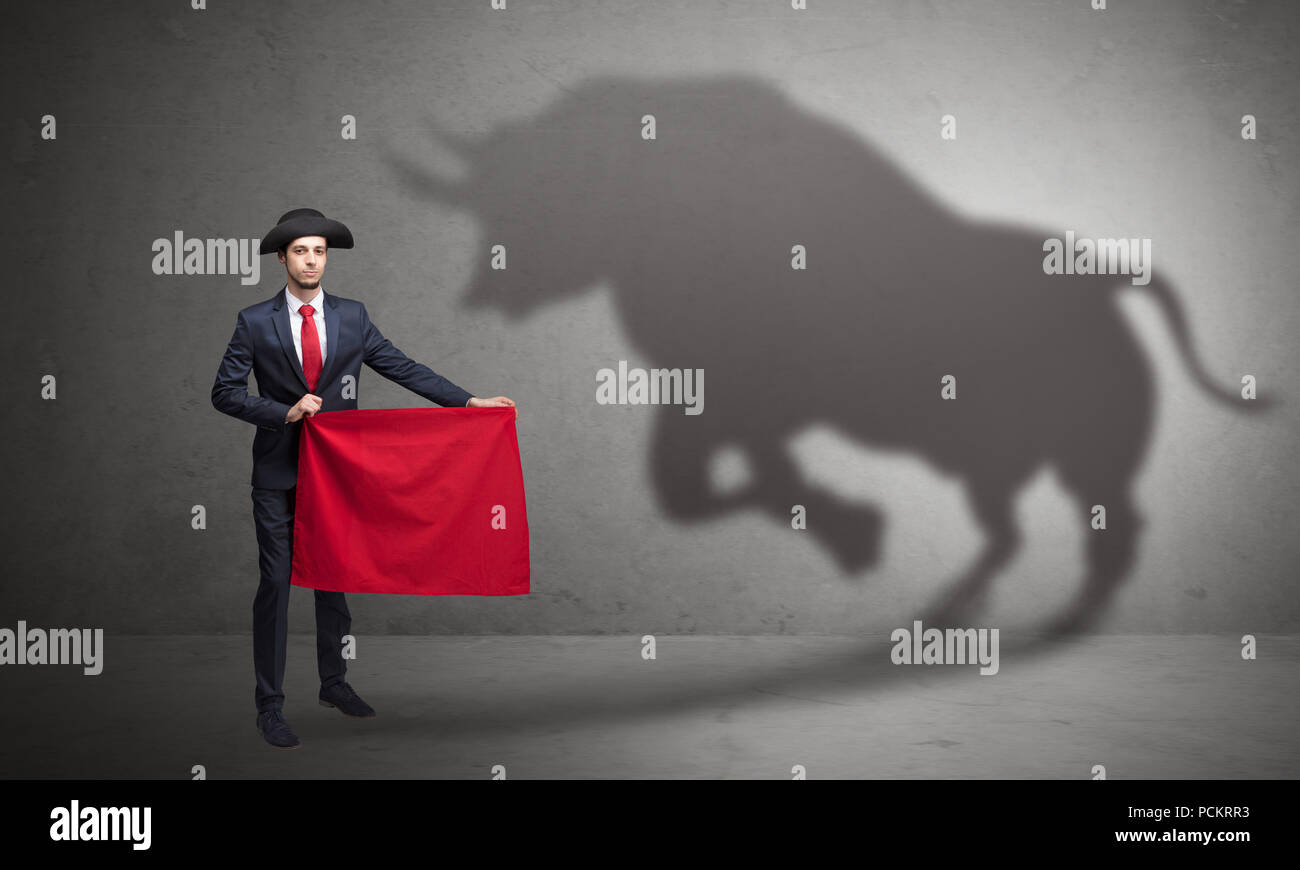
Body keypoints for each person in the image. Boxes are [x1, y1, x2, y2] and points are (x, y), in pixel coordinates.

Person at [211, 208, 517, 749]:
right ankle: (271, 707)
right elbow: (225, 393)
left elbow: (403, 366)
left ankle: (335, 684)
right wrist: (282, 410)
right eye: (301, 251)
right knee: (277, 586)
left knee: (334, 580)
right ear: (282, 258)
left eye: (319, 251)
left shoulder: (352, 317)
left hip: (337, 476)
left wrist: (469, 402)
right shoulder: (253, 320)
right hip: (278, 475)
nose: (311, 260)